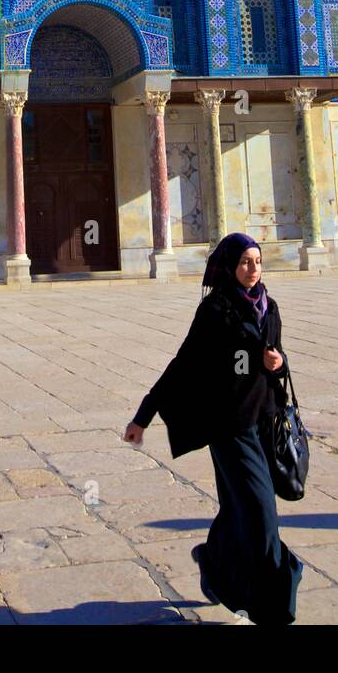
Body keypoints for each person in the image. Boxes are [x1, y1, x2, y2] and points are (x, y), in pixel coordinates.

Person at [123, 232, 303, 624]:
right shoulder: (215, 310)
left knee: (241, 508)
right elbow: (182, 364)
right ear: (229, 266)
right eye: (244, 262)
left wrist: (279, 362)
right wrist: (143, 417)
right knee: (260, 511)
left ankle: (213, 562)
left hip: (264, 424)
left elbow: (277, 360)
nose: (252, 269)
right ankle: (276, 605)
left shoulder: (269, 307)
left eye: (257, 261)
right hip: (229, 428)